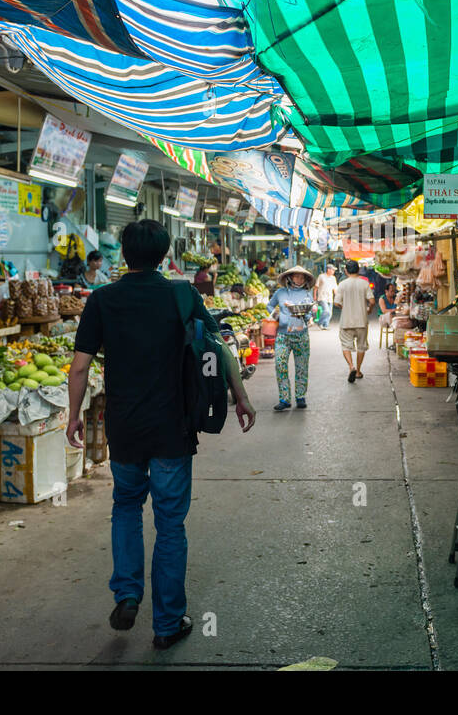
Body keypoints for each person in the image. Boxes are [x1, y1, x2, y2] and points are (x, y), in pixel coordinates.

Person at [65, 220, 255, 649]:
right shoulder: (181, 293)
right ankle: (167, 623)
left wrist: (73, 414)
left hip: (125, 427)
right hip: (173, 426)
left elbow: (79, 366)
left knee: (126, 507)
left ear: (124, 255)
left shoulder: (103, 299)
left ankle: (128, 593)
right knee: (170, 524)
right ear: (164, 255)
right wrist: (239, 396)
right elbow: (219, 345)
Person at [266, 266, 315, 411]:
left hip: (301, 336)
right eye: (296, 276)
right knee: (280, 365)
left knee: (302, 367)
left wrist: (307, 314)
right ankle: (284, 398)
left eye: (302, 277)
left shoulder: (307, 294)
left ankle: (300, 397)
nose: (299, 279)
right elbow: (269, 306)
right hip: (282, 336)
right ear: (290, 277)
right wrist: (277, 317)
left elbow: (309, 314)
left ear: (305, 280)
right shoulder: (280, 293)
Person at [336, 259, 375, 383]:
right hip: (362, 320)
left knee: (346, 345)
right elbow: (372, 301)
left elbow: (336, 302)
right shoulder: (364, 284)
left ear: (346, 271)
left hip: (346, 321)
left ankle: (351, 366)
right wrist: (368, 309)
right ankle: (358, 371)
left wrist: (345, 307)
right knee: (361, 346)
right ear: (358, 270)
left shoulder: (342, 284)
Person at [313, 265, 338, 330]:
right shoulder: (321, 276)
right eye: (333, 270)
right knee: (327, 311)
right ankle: (319, 322)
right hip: (322, 297)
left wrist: (338, 297)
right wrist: (315, 296)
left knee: (330, 313)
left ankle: (325, 325)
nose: (334, 271)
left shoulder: (333, 278)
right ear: (328, 269)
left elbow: (335, 289)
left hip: (330, 298)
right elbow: (316, 287)